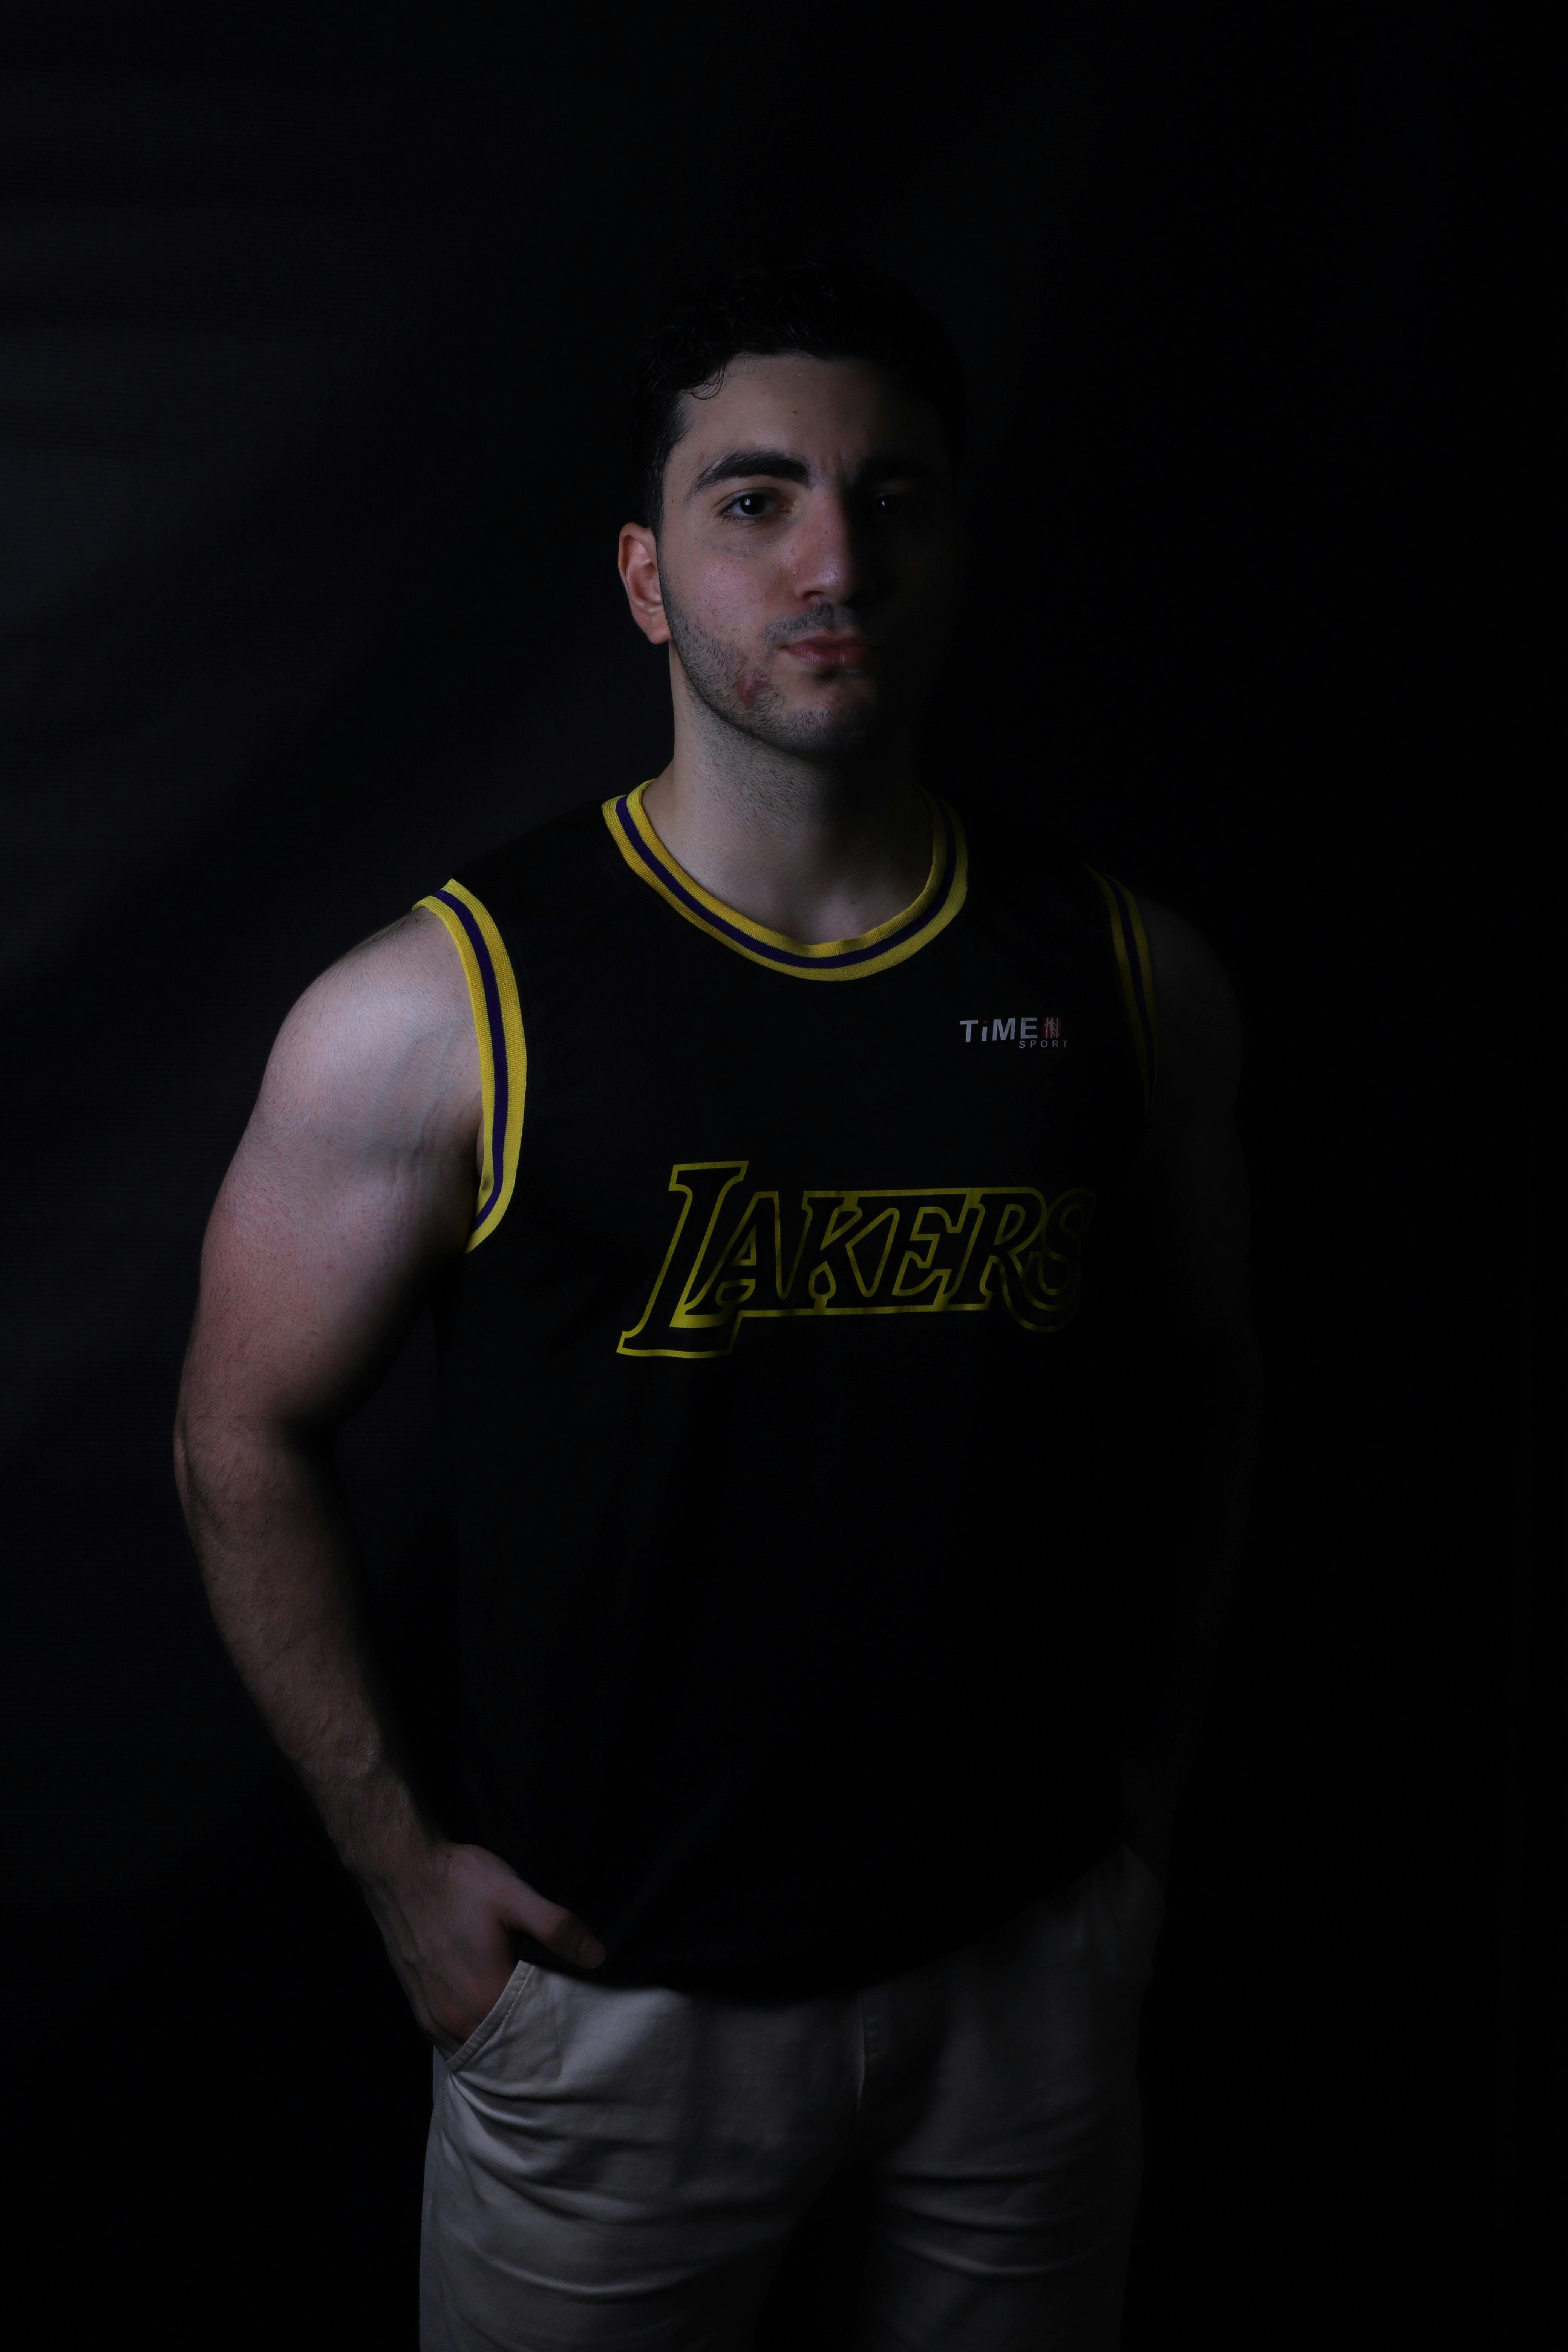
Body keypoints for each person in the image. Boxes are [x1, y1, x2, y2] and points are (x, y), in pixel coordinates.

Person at [175, 253, 1261, 2351]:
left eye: (894, 497)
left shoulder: (1130, 977)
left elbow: (1210, 1383)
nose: (832, 554)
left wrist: (1144, 1805)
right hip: (613, 2022)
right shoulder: (443, 1008)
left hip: (1022, 1982)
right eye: (755, 499)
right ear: (649, 575)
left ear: (955, 544)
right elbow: (237, 1434)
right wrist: (410, 1881)